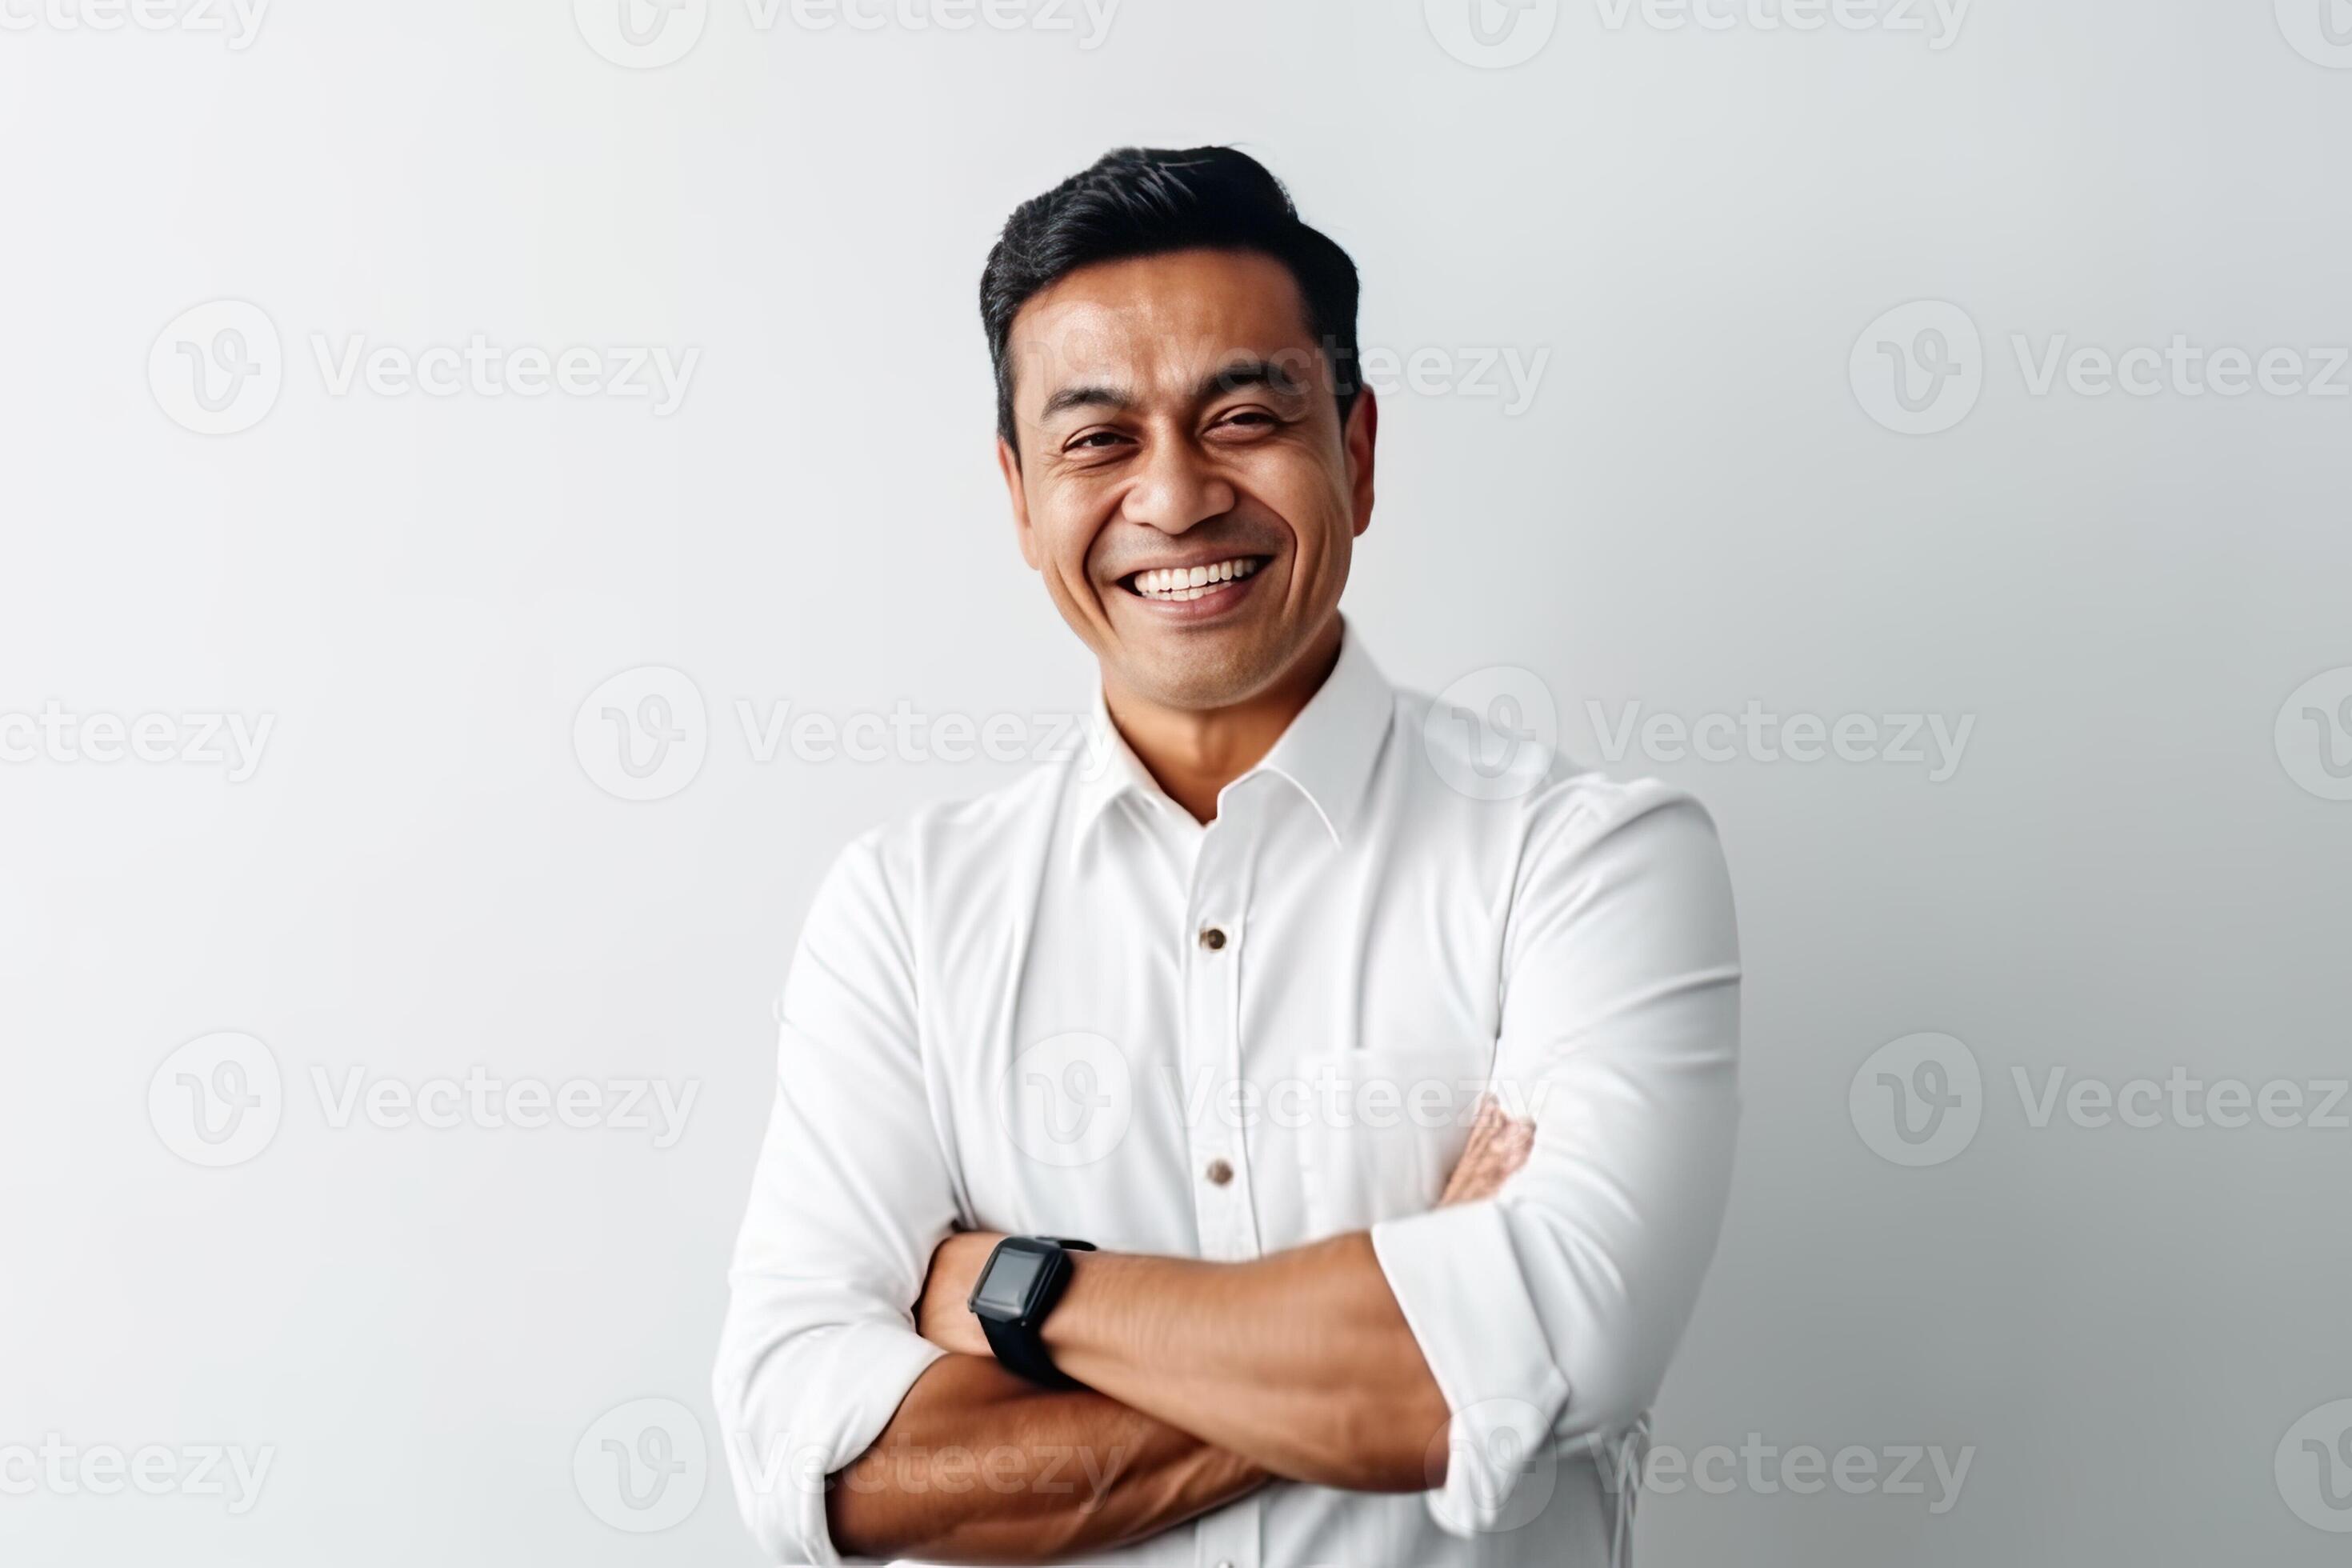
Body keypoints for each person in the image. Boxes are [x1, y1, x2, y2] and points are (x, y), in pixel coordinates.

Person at [713, 145, 1742, 1567]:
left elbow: (1547, 1359)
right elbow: (813, 1463)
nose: (1179, 496)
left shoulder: (1588, 864)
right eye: (1097, 440)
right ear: (1020, 496)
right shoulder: (900, 912)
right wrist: (1400, 1334)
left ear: (1357, 451)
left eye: (1244, 414)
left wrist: (1023, 1296)